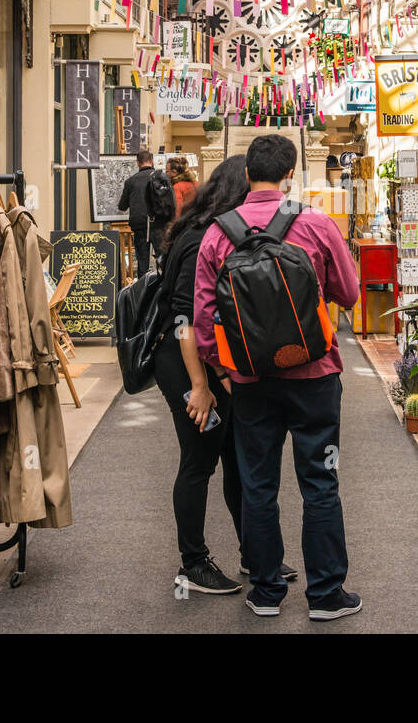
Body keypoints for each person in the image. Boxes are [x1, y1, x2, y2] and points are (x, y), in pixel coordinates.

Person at [193, 134, 363, 621]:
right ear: (290, 174)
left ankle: (266, 592)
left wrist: (227, 370)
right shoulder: (315, 223)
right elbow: (349, 294)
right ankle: (327, 595)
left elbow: (204, 321)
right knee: (320, 483)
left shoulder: (216, 233)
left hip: (251, 382)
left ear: (247, 175)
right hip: (315, 375)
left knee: (258, 485)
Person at [153, 155, 297, 595]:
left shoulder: (213, 231)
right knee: (199, 460)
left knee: (236, 460)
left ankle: (254, 554)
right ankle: (192, 564)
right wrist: (200, 386)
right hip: (184, 361)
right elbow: (184, 321)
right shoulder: (202, 239)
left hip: (213, 364)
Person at [118, 149, 167, 276]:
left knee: (142, 261)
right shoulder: (161, 178)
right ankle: (163, 287)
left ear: (138, 163)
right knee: (163, 259)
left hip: (139, 224)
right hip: (158, 224)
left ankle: (142, 290)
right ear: (152, 161)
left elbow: (122, 206)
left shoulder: (131, 181)